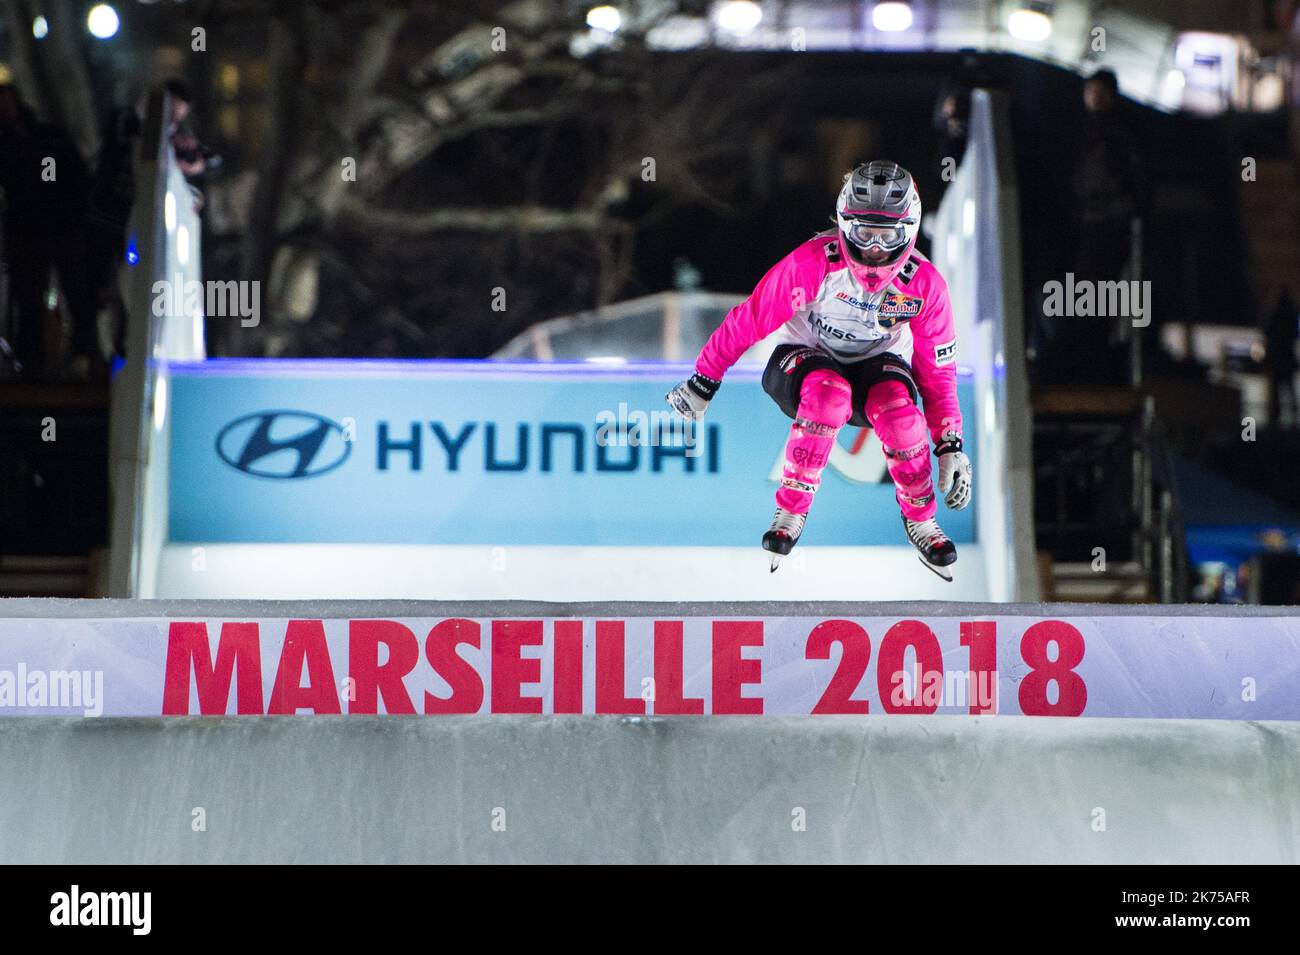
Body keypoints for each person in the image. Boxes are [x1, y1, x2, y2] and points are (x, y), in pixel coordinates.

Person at [665, 161, 973, 579]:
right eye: (864, 233)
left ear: (911, 232)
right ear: (845, 227)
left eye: (889, 236)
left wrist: (949, 443)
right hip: (804, 360)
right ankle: (791, 509)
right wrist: (704, 380)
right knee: (829, 394)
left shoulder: (925, 287)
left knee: (902, 416)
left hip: (877, 369)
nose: (876, 249)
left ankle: (920, 518)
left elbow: (937, 372)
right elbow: (750, 319)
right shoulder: (813, 263)